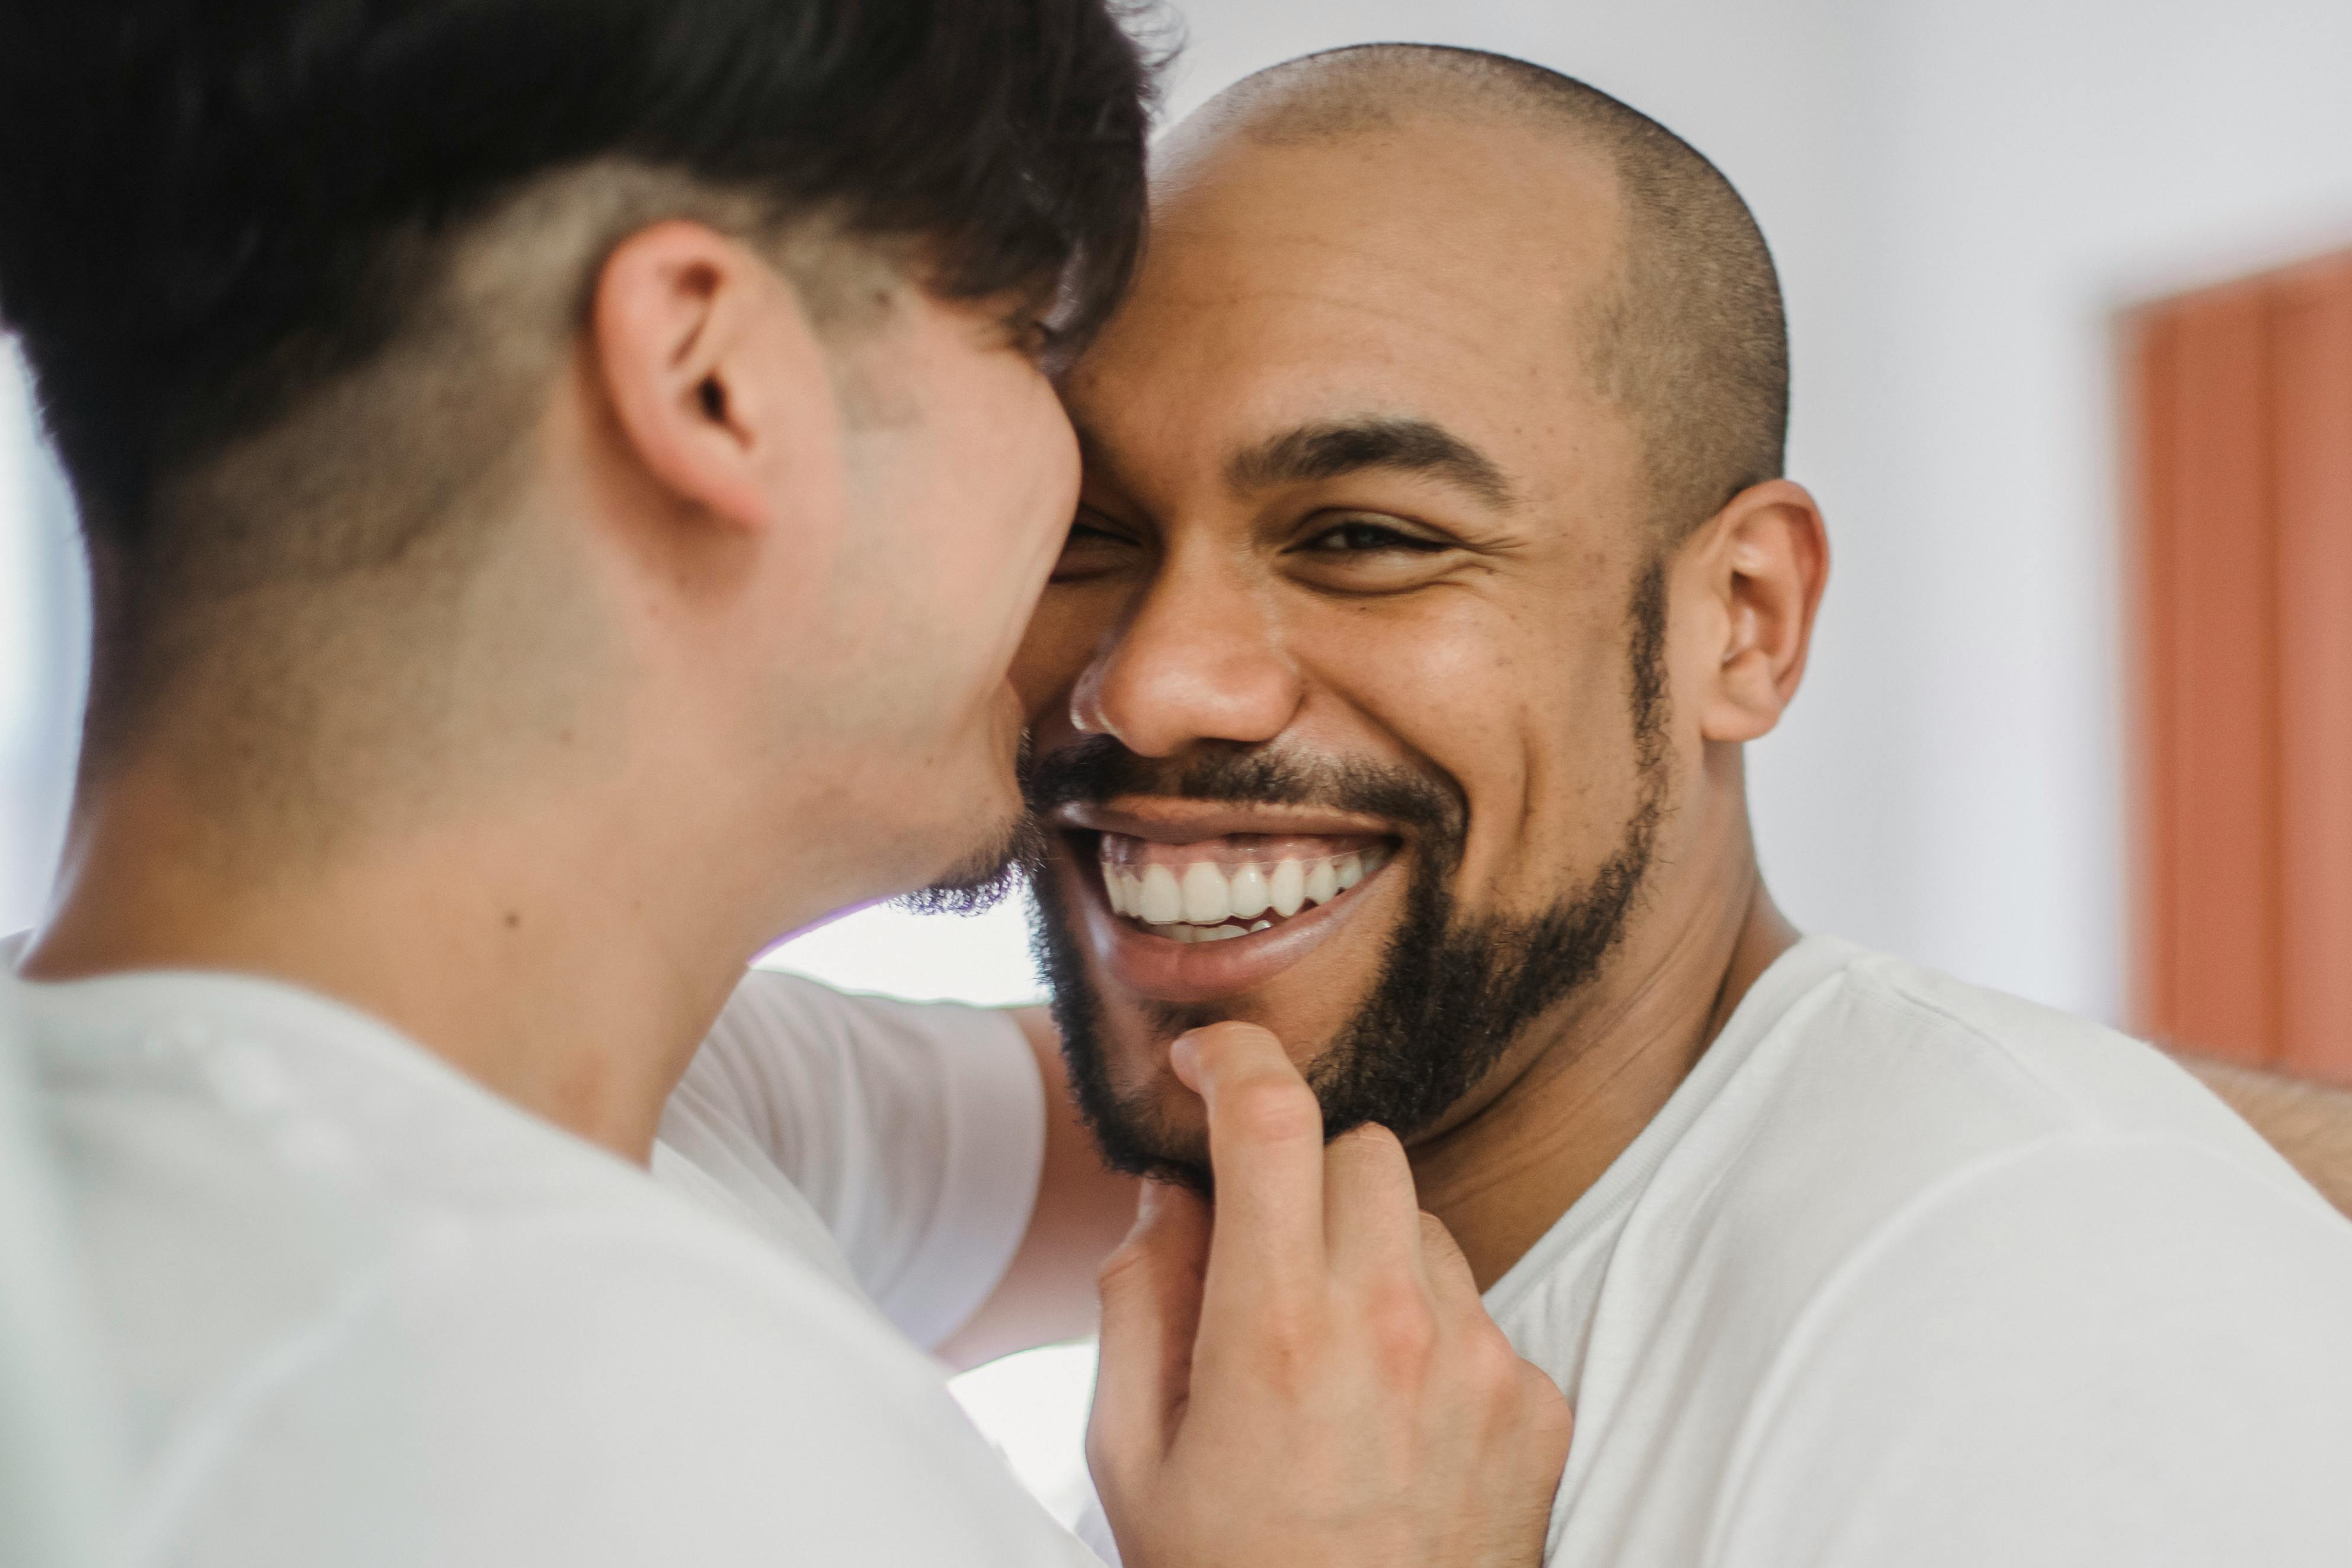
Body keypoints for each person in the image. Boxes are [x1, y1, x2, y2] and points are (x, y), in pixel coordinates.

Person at [654, 42, 2352, 1567]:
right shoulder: (1247, 1173)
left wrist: (2080, 1143)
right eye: (1087, 536)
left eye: (1364, 539)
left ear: (1739, 622)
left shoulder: (2048, 1339)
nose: (1159, 683)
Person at [0, 7, 1572, 1565]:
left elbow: (1210, 1098)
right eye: (1029, 349)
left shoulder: (524, 1111)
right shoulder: (655, 1459)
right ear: (709, 381)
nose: (1145, 665)